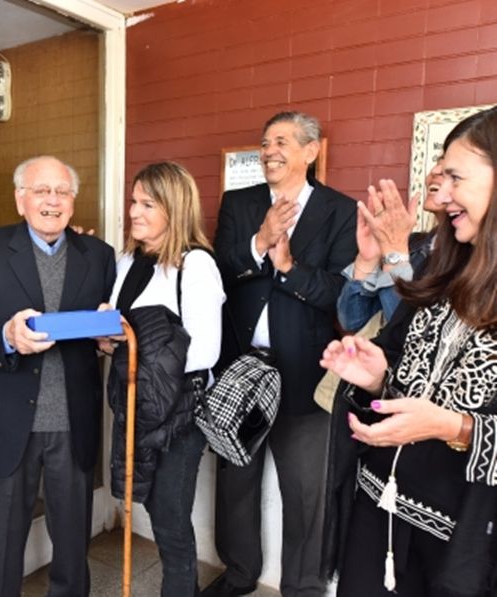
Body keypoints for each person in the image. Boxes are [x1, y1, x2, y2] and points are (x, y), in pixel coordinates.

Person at [321, 106, 497, 597]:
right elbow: (401, 360)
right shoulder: (445, 269)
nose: (442, 194)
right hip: (379, 507)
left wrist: (455, 427)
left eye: (456, 177)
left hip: (462, 545)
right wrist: (377, 376)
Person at [208, 111, 357, 597]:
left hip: (304, 375)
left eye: (281, 142)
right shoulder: (239, 203)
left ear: (310, 151)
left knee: (306, 492)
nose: (269, 151)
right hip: (242, 370)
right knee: (235, 482)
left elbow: (340, 294)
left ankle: (303, 587)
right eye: (265, 142)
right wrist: (259, 241)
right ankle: (238, 574)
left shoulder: (340, 210)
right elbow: (219, 274)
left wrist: (288, 266)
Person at [0, 155, 116, 597]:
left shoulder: (98, 256)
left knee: (72, 543)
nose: (52, 201)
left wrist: (108, 339)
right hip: (5, 419)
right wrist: (6, 336)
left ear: (74, 200)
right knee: (0, 545)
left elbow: (104, 326)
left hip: (73, 420)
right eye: (42, 191)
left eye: (62, 192)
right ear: (19, 199)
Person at [99, 161, 224, 596]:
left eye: (148, 204)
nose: (134, 211)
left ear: (175, 208)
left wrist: (134, 343)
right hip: (136, 404)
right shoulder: (128, 261)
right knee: (153, 505)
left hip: (180, 413)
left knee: (170, 518)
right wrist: (109, 337)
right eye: (134, 201)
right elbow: (118, 333)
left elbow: (204, 351)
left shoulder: (195, 265)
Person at [336, 162, 445, 332]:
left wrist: (395, 254)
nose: (435, 170)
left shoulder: (474, 257)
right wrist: (367, 260)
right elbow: (352, 320)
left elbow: (411, 334)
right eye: (439, 160)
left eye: (453, 171)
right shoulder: (413, 244)